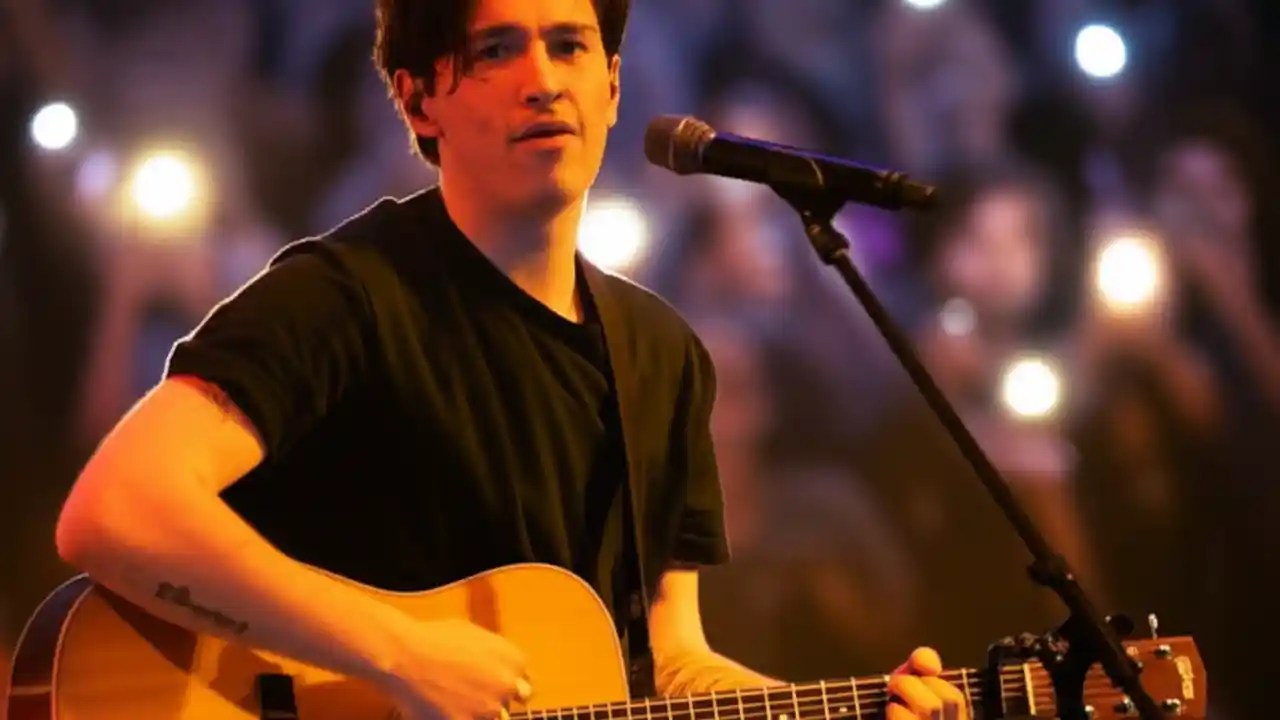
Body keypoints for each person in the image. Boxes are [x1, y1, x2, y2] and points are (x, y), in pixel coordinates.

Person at [52, 1, 969, 719]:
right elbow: (115, 512)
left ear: (613, 85)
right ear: (417, 98)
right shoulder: (343, 297)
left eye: (569, 47)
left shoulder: (664, 355)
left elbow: (671, 663)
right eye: (496, 50)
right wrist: (398, 656)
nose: (542, 81)